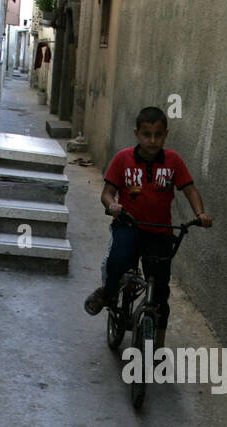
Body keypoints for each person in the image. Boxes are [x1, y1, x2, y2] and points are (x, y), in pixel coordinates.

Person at [83, 107, 212, 350]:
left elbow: (190, 189)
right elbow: (107, 192)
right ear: (137, 134)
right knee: (118, 262)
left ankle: (159, 347)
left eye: (158, 135)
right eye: (146, 134)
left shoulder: (173, 161)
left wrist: (200, 213)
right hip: (128, 226)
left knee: (160, 290)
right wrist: (112, 205)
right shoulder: (123, 159)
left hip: (160, 231)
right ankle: (108, 294)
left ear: (166, 135)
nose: (152, 141)